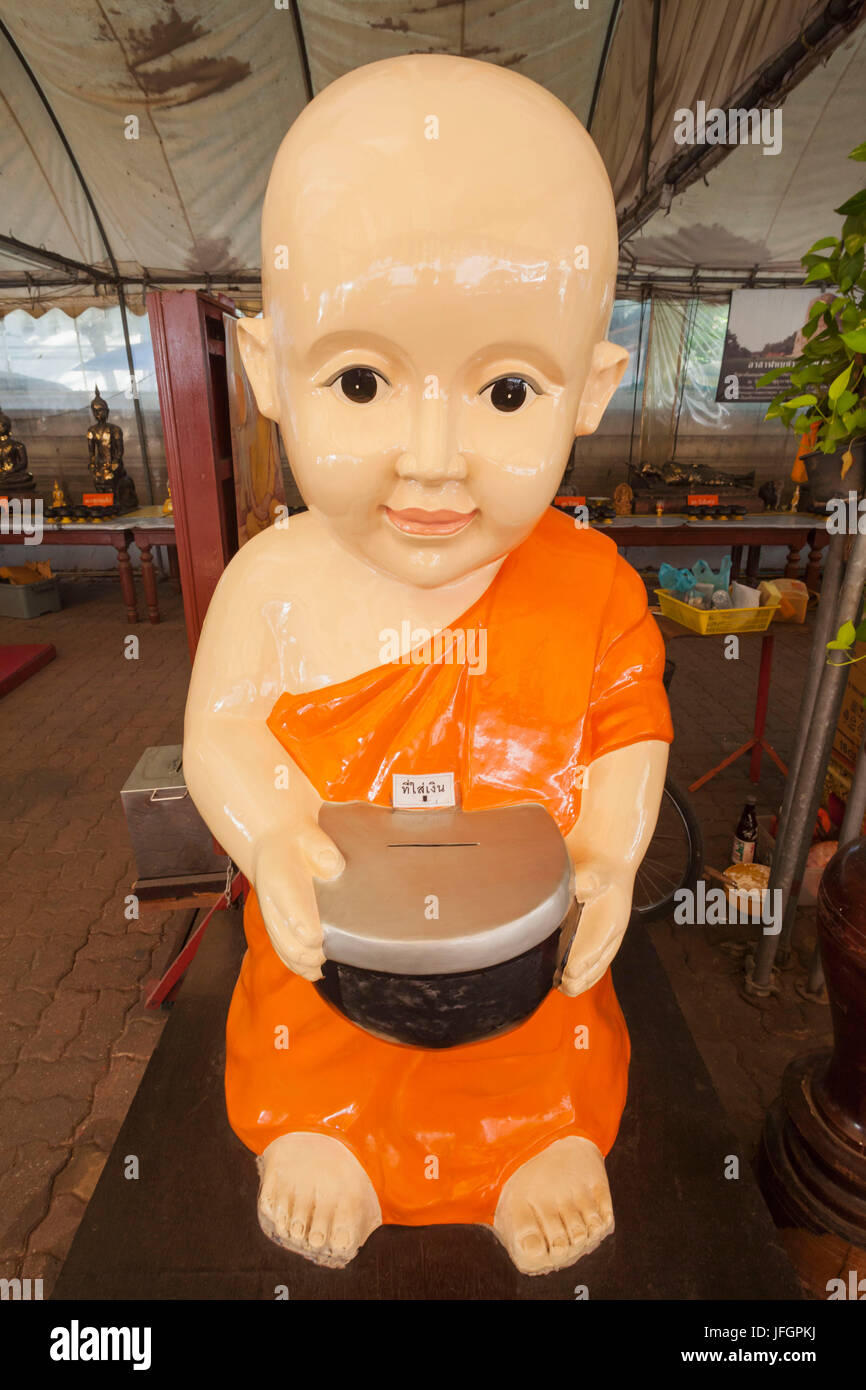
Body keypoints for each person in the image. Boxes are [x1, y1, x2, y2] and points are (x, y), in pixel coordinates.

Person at [184, 55, 672, 1276]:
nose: (433, 458)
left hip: (523, 942)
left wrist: (609, 852)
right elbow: (223, 734)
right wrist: (272, 838)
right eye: (360, 380)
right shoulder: (272, 583)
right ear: (266, 374)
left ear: (590, 393)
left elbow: (627, 724)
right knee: (312, 1005)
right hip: (336, 944)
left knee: (546, 1012)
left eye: (507, 389)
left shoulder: (589, 583)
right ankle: (325, 1130)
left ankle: (529, 1140)